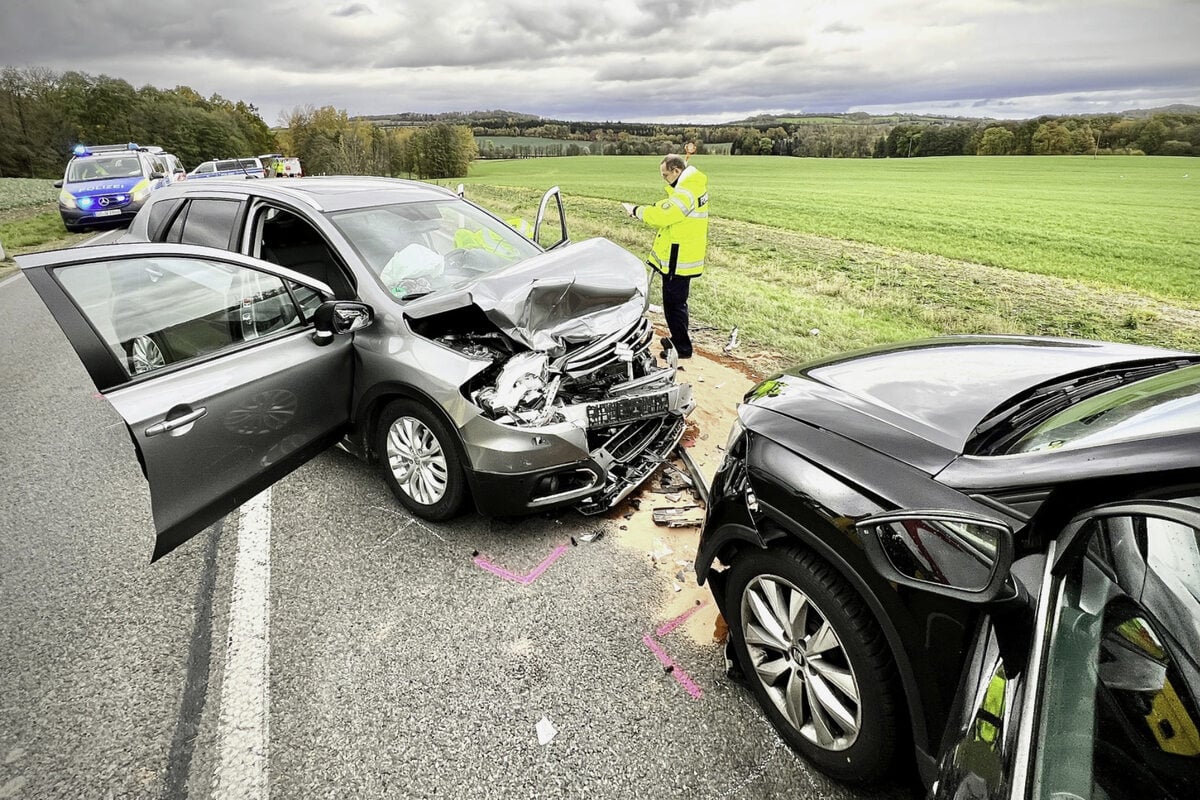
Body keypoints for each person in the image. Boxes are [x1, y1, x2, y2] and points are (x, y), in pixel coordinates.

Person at [622, 152, 709, 360]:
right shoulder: (692, 185)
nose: (664, 179)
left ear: (676, 170)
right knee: (677, 303)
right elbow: (672, 210)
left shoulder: (687, 190)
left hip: (679, 258)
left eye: (665, 175)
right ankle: (677, 339)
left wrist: (637, 211)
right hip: (683, 253)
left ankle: (681, 347)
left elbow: (664, 215)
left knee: (674, 304)